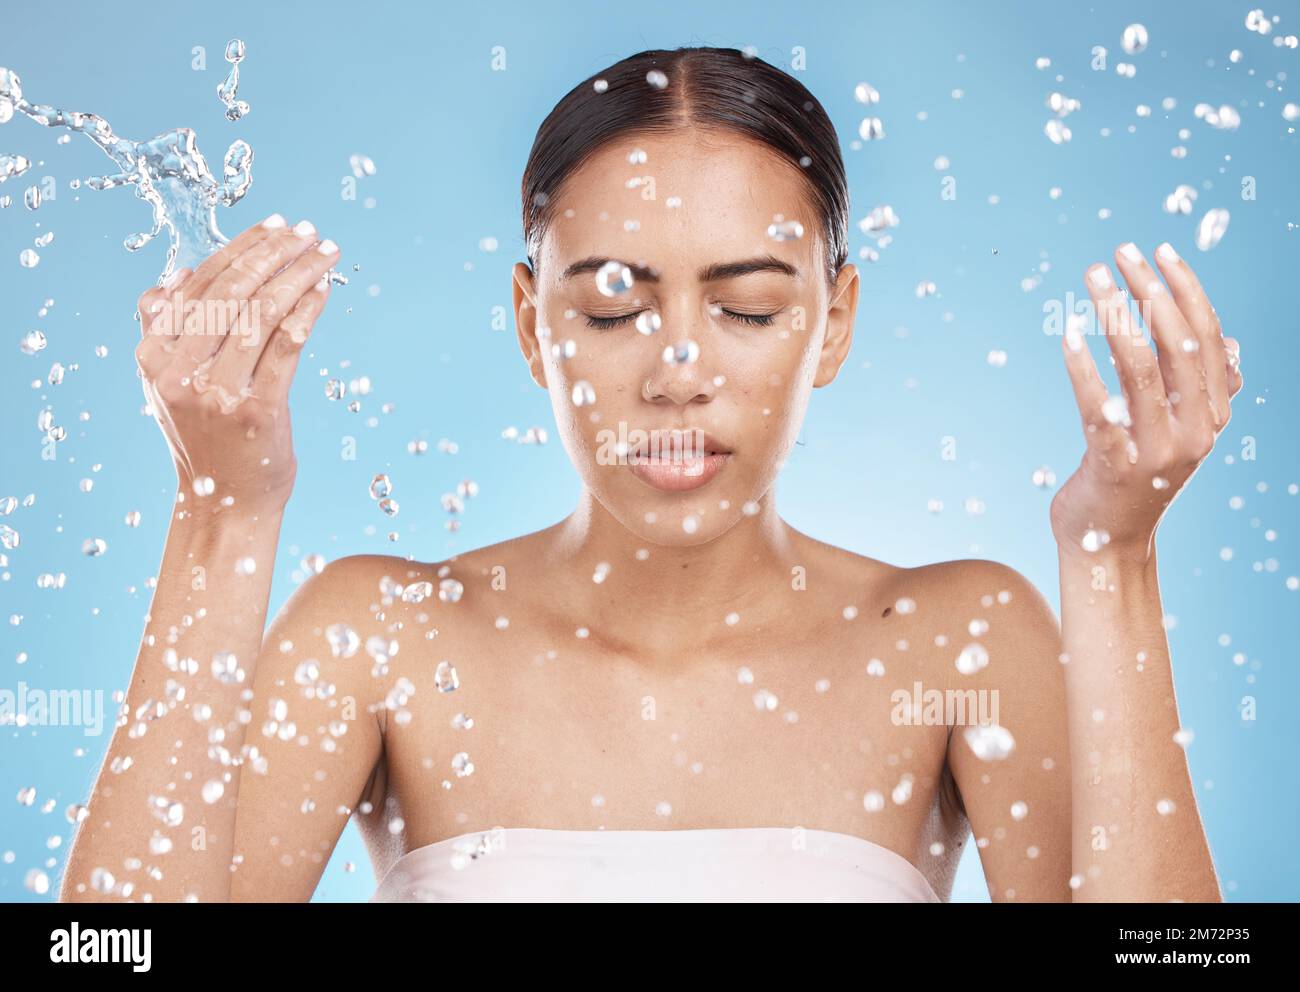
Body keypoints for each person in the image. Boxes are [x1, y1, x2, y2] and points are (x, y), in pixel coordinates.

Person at [60, 46, 1240, 903]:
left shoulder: (952, 645)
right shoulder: (380, 637)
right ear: (533, 326)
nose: (679, 369)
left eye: (746, 305)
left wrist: (1114, 559)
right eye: (613, 305)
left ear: (831, 325)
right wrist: (220, 515)